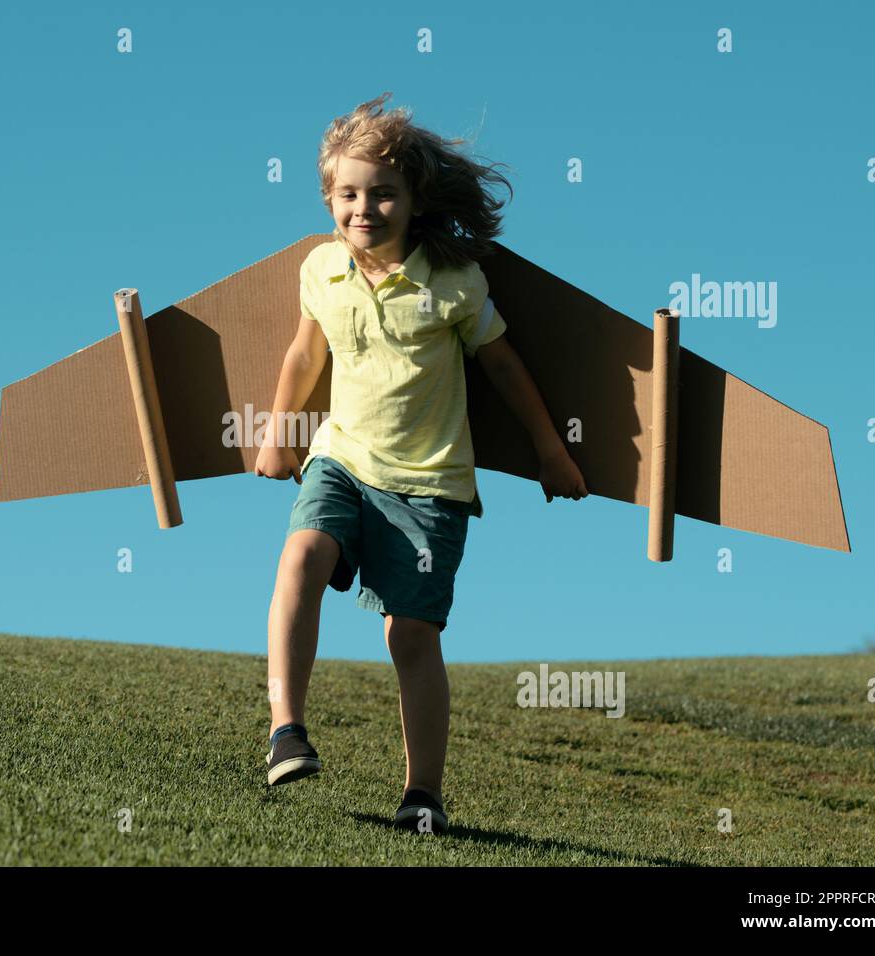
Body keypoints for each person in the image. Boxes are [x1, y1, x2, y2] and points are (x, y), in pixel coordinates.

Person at [254, 92, 588, 834]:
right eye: (347, 194)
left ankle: (423, 795)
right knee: (300, 555)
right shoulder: (320, 269)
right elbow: (306, 351)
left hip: (430, 486)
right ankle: (286, 730)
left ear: (413, 198)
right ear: (328, 198)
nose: (363, 208)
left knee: (410, 634)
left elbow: (502, 369)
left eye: (381, 193)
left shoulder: (452, 281)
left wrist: (548, 451)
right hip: (340, 460)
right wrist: (280, 434)